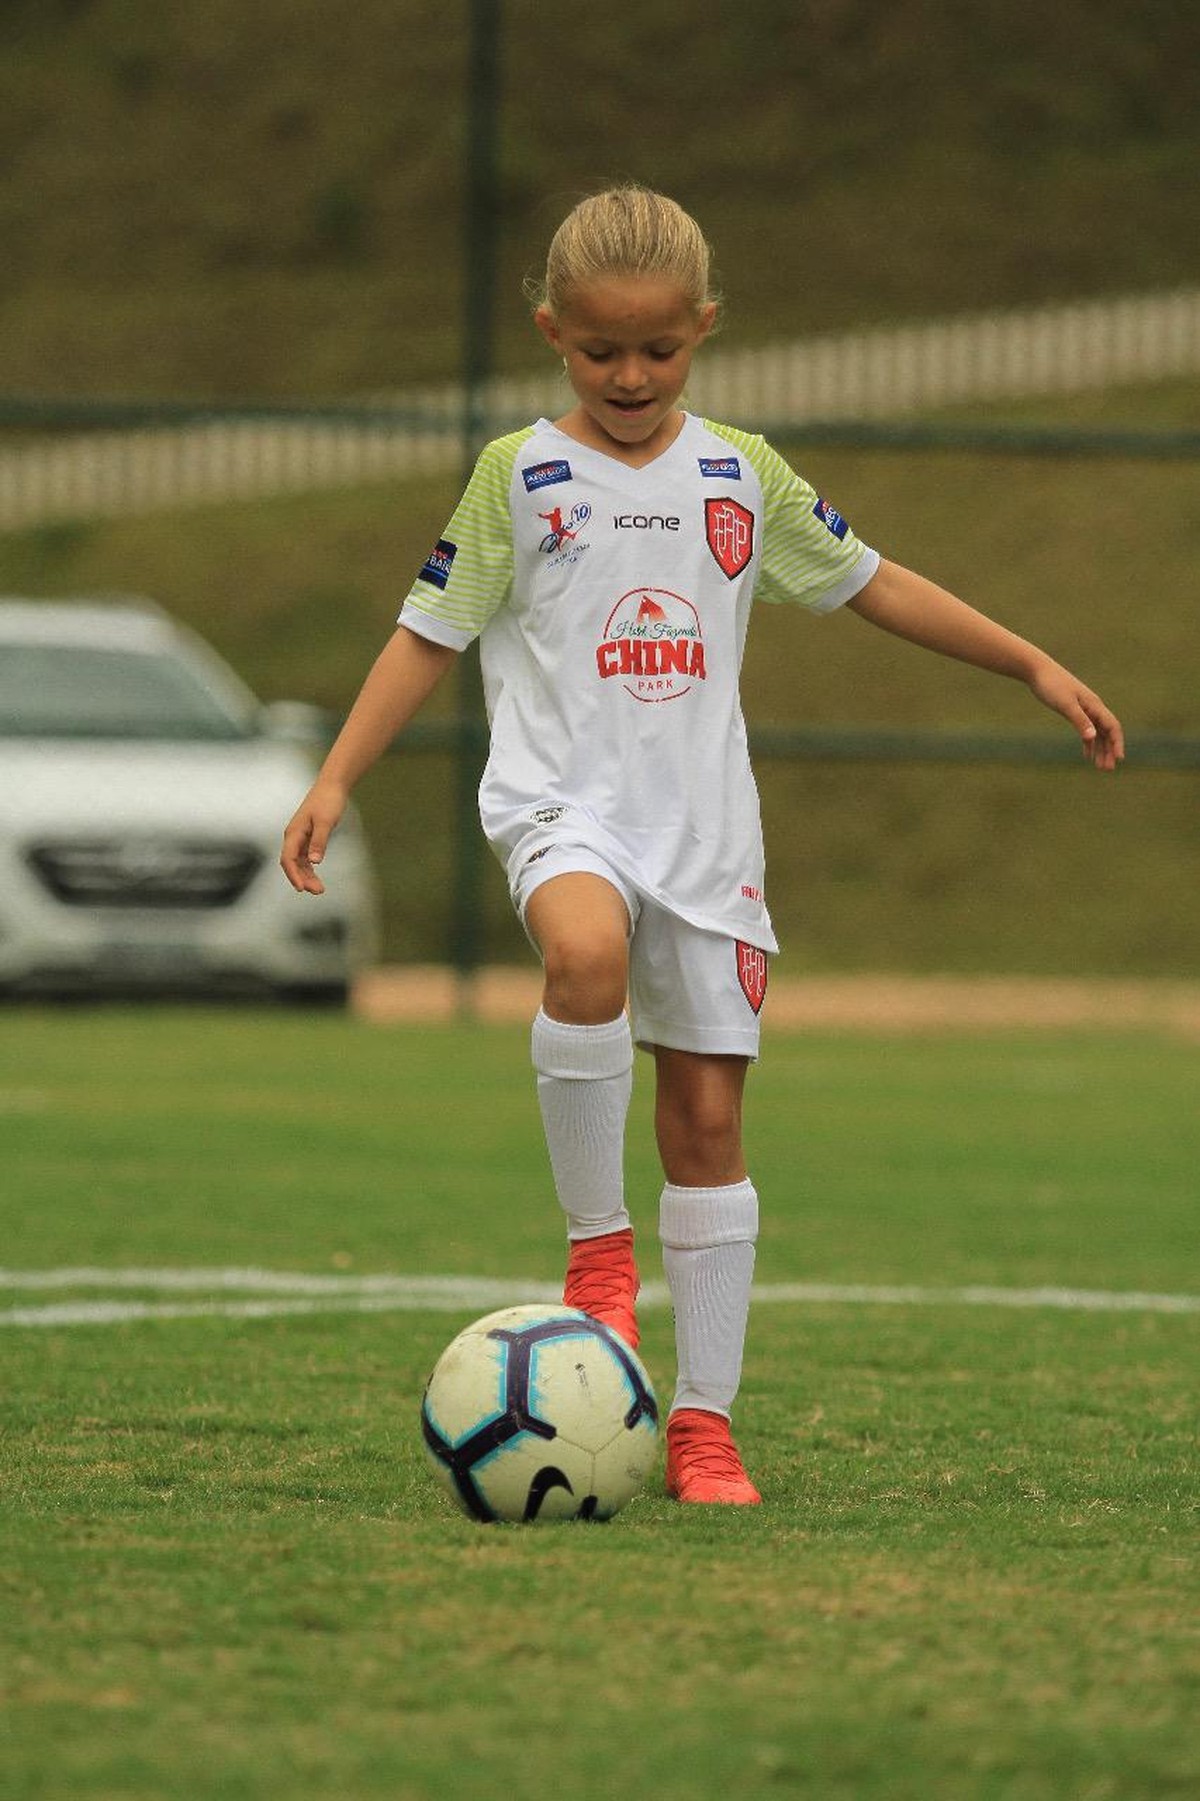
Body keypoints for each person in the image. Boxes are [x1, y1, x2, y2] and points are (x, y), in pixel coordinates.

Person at [281, 185, 1124, 1507]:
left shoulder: (741, 472)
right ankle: (599, 1254)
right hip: (565, 805)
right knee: (580, 953)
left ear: (706, 329)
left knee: (711, 1119)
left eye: (658, 350)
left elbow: (877, 583)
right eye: (598, 350)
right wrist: (337, 776)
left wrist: (1030, 661)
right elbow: (428, 630)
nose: (627, 374)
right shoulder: (521, 473)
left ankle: (702, 1423)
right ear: (552, 330)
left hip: (707, 837)